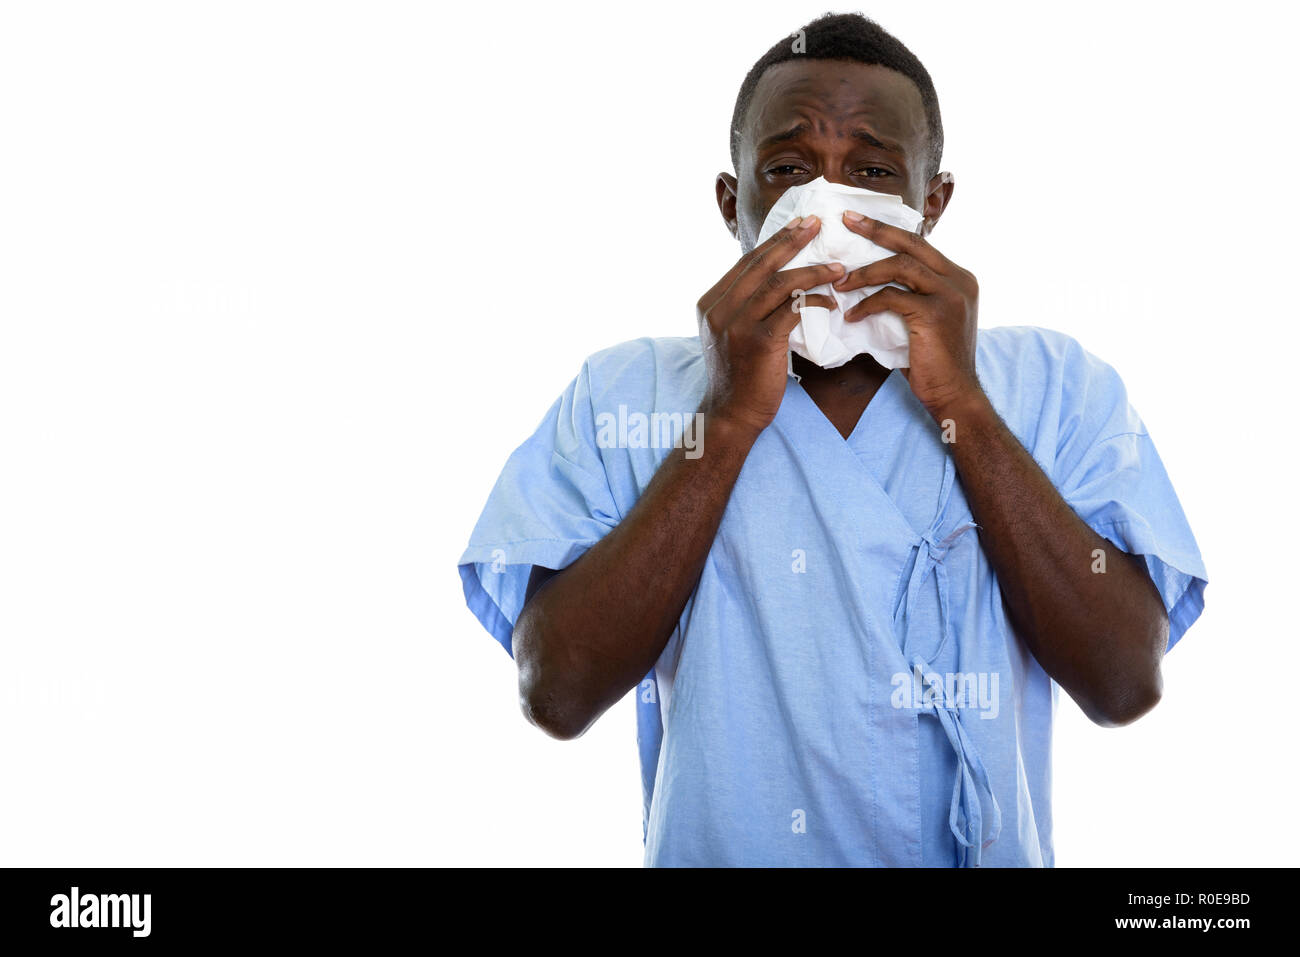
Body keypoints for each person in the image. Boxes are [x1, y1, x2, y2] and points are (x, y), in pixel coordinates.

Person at [456, 12, 1208, 866]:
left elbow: (1126, 681)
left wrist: (961, 400)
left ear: (933, 202)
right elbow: (554, 690)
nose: (826, 201)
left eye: (874, 172)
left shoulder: (1053, 385)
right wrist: (729, 416)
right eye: (786, 169)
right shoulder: (624, 394)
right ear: (732, 201)